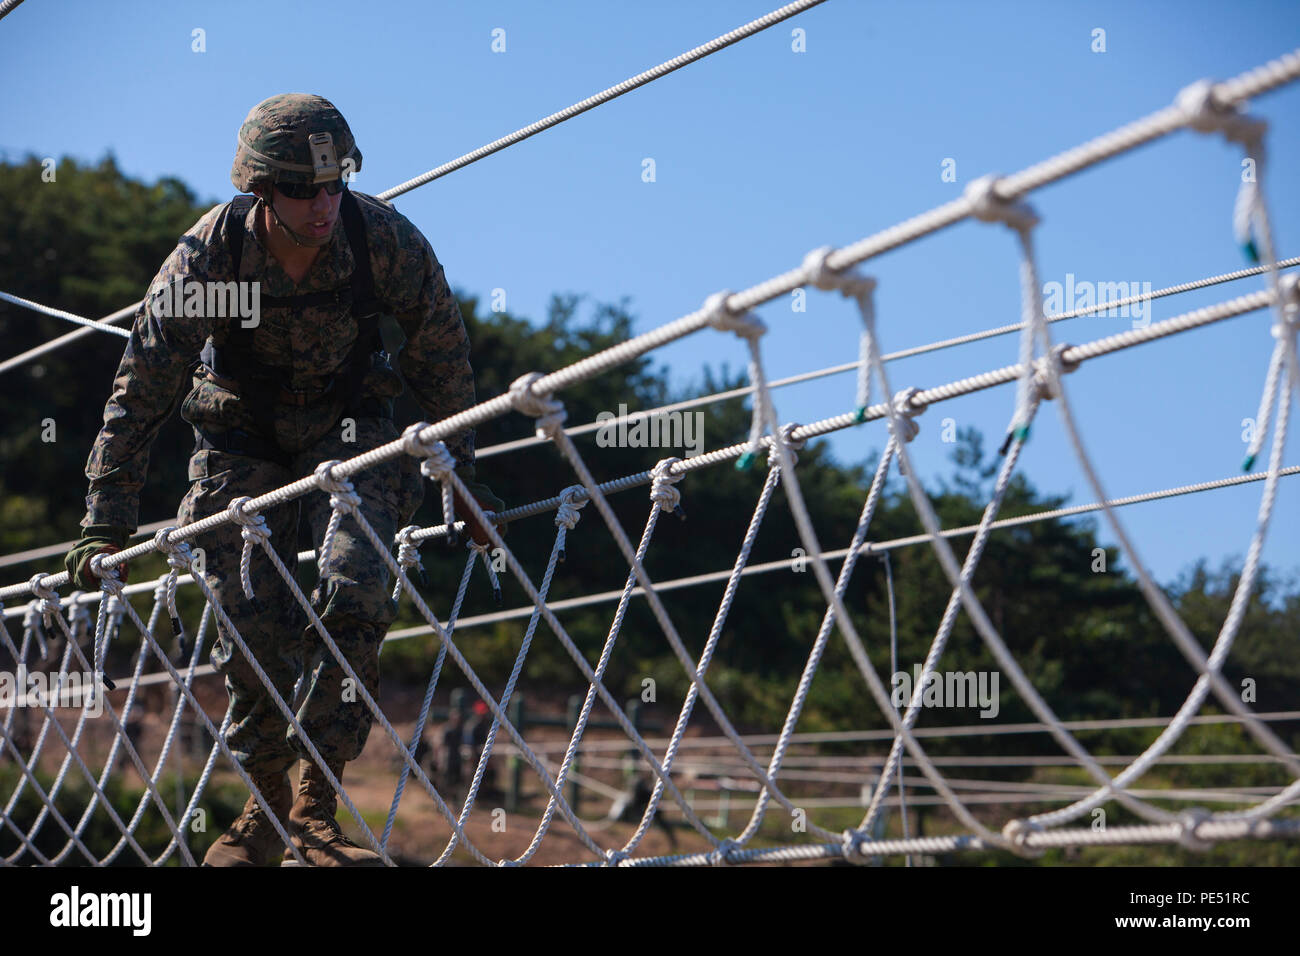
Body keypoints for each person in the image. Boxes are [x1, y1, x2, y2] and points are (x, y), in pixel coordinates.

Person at [63, 93, 504, 866]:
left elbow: (441, 355)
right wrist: (109, 516)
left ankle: (316, 805)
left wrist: (461, 476)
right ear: (260, 188)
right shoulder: (211, 260)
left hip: (351, 424)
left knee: (357, 587)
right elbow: (145, 384)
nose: (324, 204)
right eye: (303, 188)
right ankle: (262, 806)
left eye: (336, 184)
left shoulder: (383, 245)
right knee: (249, 612)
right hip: (244, 432)